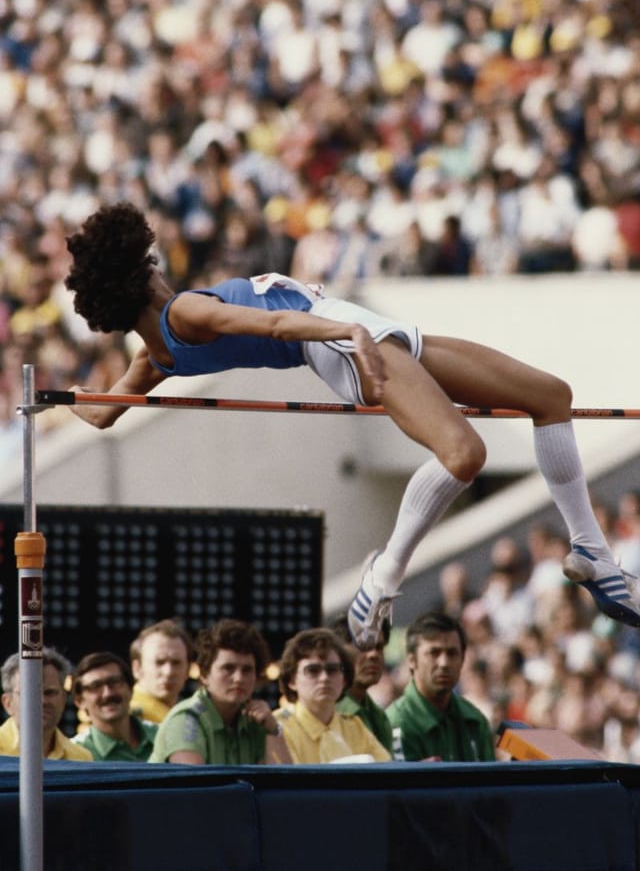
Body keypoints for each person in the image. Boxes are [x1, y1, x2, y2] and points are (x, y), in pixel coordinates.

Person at [64, 203, 640, 650]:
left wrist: (53, 395)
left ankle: (591, 550)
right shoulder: (183, 312)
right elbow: (277, 326)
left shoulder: (153, 357)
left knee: (549, 396)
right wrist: (345, 335)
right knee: (463, 454)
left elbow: (98, 411)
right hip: (341, 337)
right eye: (151, 260)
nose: (159, 264)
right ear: (142, 273)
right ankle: (381, 581)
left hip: (363, 327)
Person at [149, 619, 290, 765]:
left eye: (247, 670)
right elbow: (191, 784)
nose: (238, 678)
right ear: (204, 674)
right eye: (228, 668)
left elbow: (283, 783)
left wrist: (273, 730)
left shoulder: (256, 722)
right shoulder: (185, 719)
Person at [386, 612, 495, 762]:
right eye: (434, 653)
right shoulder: (397, 724)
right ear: (411, 660)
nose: (444, 663)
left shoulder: (475, 721)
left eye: (452, 653)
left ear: (462, 660)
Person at [275, 627, 391, 763]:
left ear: (345, 680)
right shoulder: (278, 729)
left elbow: (388, 775)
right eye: (312, 670)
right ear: (291, 680)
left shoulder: (355, 727)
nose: (324, 677)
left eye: (333, 670)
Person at [0, 648, 93, 761]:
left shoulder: (81, 758)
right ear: (8, 703)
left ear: (63, 699)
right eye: (31, 693)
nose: (42, 701)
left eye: (50, 693)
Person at [72, 652, 158, 761]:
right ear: (80, 701)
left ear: (131, 689)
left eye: (115, 682)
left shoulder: (164, 737)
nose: (108, 694)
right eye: (95, 686)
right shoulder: (75, 755)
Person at [331, 614, 393, 753]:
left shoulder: (378, 716)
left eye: (379, 647)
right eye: (363, 646)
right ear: (337, 653)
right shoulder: (327, 714)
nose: (373, 655)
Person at [129, 618, 193, 723]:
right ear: (137, 668)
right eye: (159, 662)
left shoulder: (194, 718)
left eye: (176, 662)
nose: (168, 672)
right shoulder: (125, 717)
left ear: (188, 669)